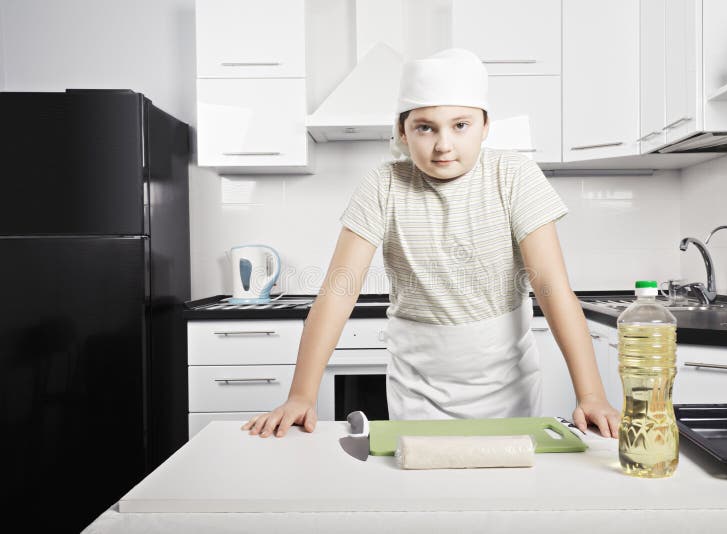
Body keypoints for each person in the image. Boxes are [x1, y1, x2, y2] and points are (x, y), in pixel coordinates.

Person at [242, 48, 621, 439]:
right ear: (403, 132)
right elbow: (339, 292)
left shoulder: (514, 176)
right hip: (417, 389)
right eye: (426, 127)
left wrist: (591, 394)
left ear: (485, 125)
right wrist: (301, 394)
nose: (443, 145)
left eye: (460, 125)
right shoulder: (383, 184)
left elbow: (552, 288)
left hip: (507, 387)